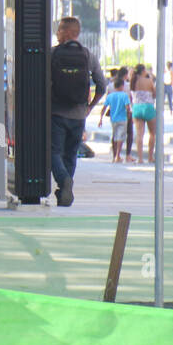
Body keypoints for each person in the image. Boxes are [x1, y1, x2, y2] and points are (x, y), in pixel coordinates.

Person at [50, 17, 106, 206]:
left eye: (59, 30)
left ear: (67, 32)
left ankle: (64, 180)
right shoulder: (88, 55)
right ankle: (65, 190)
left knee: (53, 152)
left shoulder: (53, 54)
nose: (57, 34)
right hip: (79, 115)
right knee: (71, 154)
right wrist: (89, 107)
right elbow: (102, 86)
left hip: (56, 113)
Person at [98, 76, 132, 163]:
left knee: (115, 135)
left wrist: (101, 119)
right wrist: (128, 116)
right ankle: (117, 155)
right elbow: (128, 107)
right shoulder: (124, 96)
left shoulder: (110, 96)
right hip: (123, 118)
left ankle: (115, 156)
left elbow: (104, 108)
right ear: (122, 86)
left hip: (113, 119)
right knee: (120, 137)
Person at [130, 65, 157, 163]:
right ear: (142, 71)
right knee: (152, 133)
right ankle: (150, 157)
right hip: (148, 107)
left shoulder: (133, 81)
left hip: (136, 107)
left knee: (139, 134)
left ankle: (140, 158)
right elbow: (154, 94)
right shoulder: (148, 81)